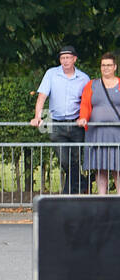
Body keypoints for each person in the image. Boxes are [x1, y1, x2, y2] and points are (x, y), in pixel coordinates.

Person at [30, 44, 90, 194]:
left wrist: (85, 118)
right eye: (62, 58)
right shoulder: (51, 74)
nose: (65, 61)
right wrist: (38, 116)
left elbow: (87, 102)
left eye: (68, 57)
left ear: (74, 59)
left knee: (75, 160)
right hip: (56, 123)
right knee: (64, 160)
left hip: (76, 123)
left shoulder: (84, 78)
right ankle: (82, 183)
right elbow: (42, 96)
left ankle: (69, 193)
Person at [78, 53, 120, 194]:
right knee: (100, 167)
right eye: (103, 65)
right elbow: (85, 105)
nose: (106, 68)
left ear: (115, 67)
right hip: (97, 133)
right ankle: (102, 198)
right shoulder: (92, 85)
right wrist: (83, 117)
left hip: (117, 133)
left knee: (118, 167)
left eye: (109, 65)